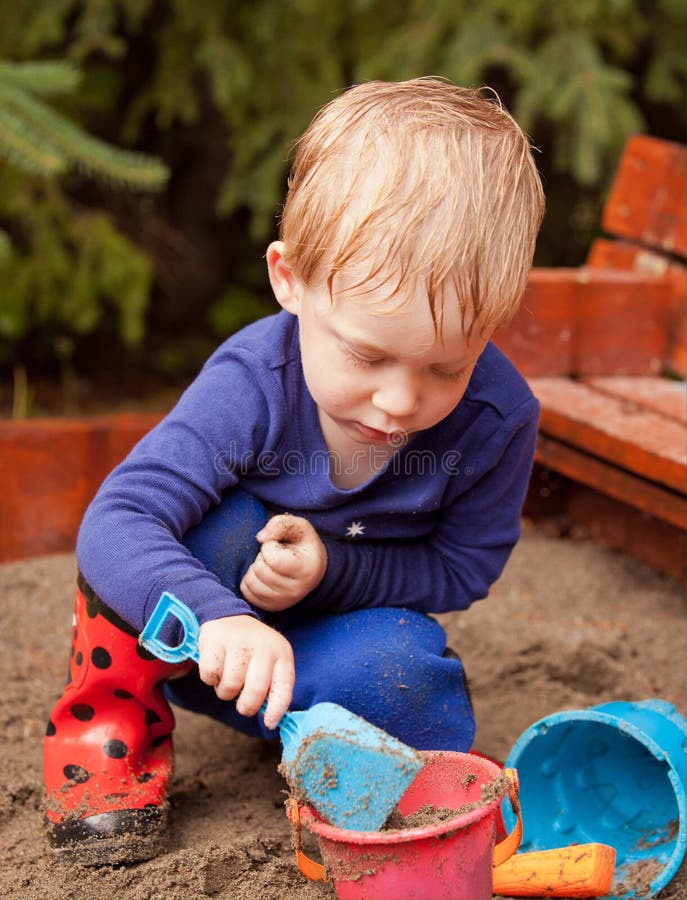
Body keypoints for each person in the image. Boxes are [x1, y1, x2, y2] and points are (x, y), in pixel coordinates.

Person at [43, 77, 545, 865]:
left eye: (445, 367)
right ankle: (108, 733)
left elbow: (461, 567)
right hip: (191, 638)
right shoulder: (251, 380)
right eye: (367, 355)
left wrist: (328, 568)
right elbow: (117, 521)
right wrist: (222, 618)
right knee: (211, 529)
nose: (399, 400)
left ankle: (337, 769)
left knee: (405, 668)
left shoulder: (496, 417)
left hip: (321, 655)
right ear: (291, 280)